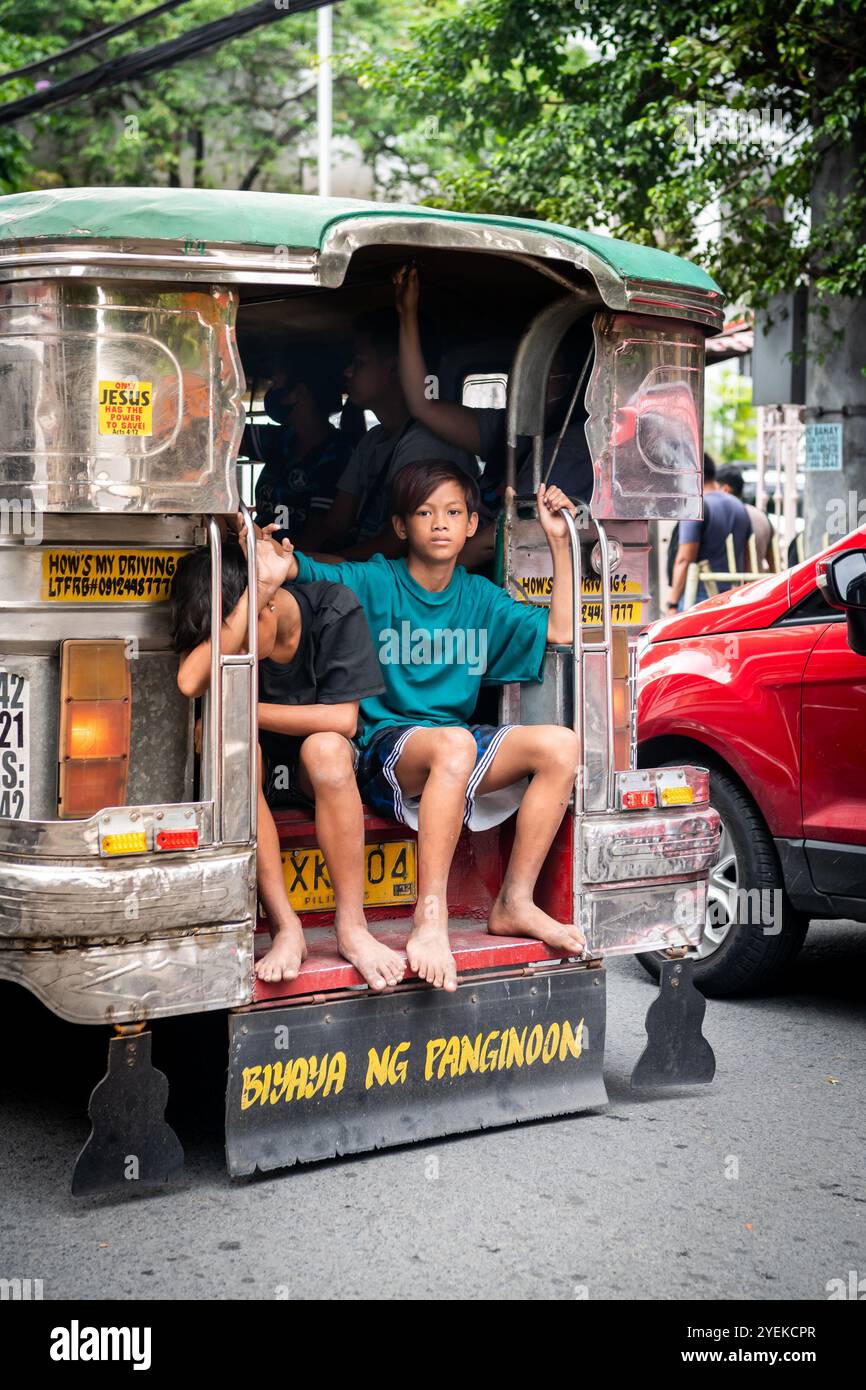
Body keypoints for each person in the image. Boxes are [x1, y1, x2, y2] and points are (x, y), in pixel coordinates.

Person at [282, 459, 585, 993]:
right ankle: (431, 917)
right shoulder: (378, 580)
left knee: (561, 746)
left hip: (450, 750)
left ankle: (515, 900)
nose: (440, 523)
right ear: (402, 526)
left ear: (472, 525)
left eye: (453, 512)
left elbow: (560, 628)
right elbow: (309, 571)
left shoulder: (480, 597)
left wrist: (560, 543)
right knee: (454, 743)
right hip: (383, 749)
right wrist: (273, 556)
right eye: (424, 512)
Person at [170, 526, 405, 993]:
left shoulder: (333, 607)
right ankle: (285, 927)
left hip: (317, 771)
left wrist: (244, 708)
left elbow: (343, 719)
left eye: (242, 631)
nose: (237, 650)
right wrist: (248, 603)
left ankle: (352, 927)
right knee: (234, 746)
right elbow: (189, 681)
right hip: (256, 770)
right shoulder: (252, 610)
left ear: (273, 604)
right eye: (229, 634)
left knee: (326, 750)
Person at [393, 264, 594, 566]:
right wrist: (407, 314)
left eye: (539, 368)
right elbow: (424, 407)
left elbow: (502, 537)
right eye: (520, 367)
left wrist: (429, 572)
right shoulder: (507, 427)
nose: (521, 378)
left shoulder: (570, 447)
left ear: (568, 380)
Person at [299, 309, 481, 560]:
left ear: (395, 370)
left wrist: (328, 566)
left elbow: (396, 543)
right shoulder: (373, 439)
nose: (348, 372)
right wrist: (296, 554)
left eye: (360, 363)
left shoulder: (424, 445)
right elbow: (336, 522)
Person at [246, 357, 352, 547]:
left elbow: (317, 534)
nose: (271, 392)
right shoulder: (281, 440)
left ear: (299, 393)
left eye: (276, 383)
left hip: (295, 566)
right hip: (259, 554)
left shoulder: (336, 457)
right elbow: (225, 437)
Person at [666, 454, 752, 612]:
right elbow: (746, 559)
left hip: (699, 602)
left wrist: (672, 604)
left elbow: (685, 559)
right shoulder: (740, 507)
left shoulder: (695, 507)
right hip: (733, 601)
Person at [717, 464, 776, 572]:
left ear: (725, 490)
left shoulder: (719, 517)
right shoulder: (761, 516)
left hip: (729, 587)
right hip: (757, 586)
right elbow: (774, 565)